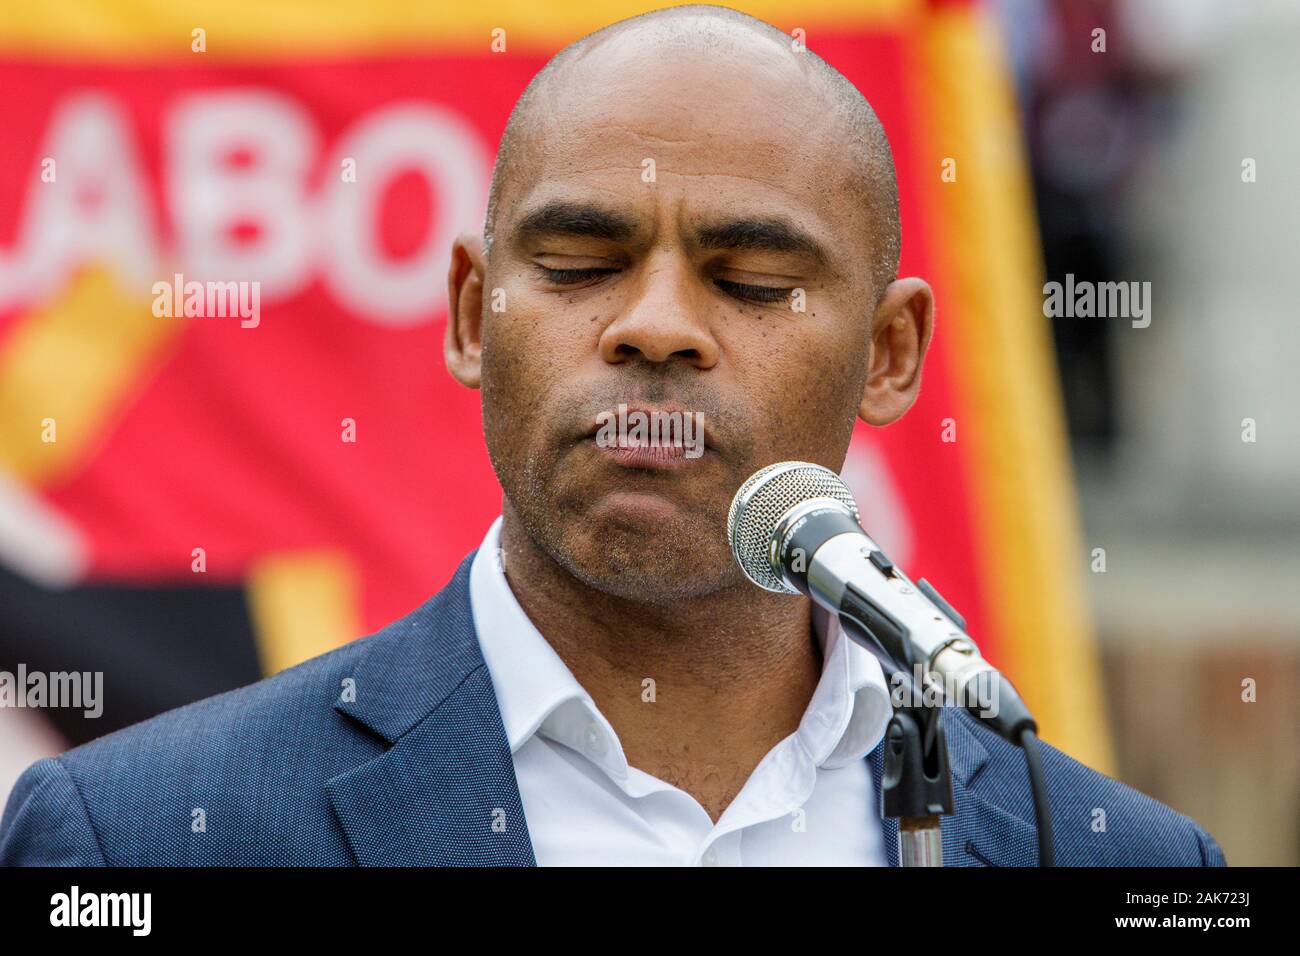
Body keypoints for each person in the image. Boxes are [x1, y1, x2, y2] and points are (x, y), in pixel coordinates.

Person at [0, 4, 1223, 866]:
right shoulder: (138, 833)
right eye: (581, 262)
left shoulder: (1116, 853)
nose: (653, 327)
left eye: (749, 280)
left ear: (891, 355)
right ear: (473, 316)